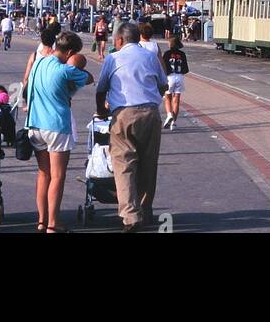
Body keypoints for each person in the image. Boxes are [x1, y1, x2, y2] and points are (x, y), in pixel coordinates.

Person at [96, 21, 168, 231]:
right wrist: (152, 99)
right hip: (150, 114)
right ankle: (145, 210)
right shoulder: (150, 56)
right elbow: (163, 85)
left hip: (123, 115)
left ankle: (130, 216)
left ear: (119, 40)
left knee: (124, 164)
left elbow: (101, 90)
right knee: (148, 164)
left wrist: (102, 110)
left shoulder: (113, 58)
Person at [26, 31, 94, 233]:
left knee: (43, 174)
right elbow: (89, 78)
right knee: (57, 176)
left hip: (35, 124)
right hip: (56, 126)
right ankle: (53, 223)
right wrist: (77, 61)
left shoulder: (39, 62)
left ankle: (41, 220)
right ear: (71, 51)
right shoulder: (66, 71)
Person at [162, 35, 188, 130]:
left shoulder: (167, 53)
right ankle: (173, 123)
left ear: (171, 43)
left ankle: (169, 115)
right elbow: (186, 69)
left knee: (167, 98)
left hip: (170, 77)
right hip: (180, 77)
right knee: (176, 100)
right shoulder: (182, 54)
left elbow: (163, 66)